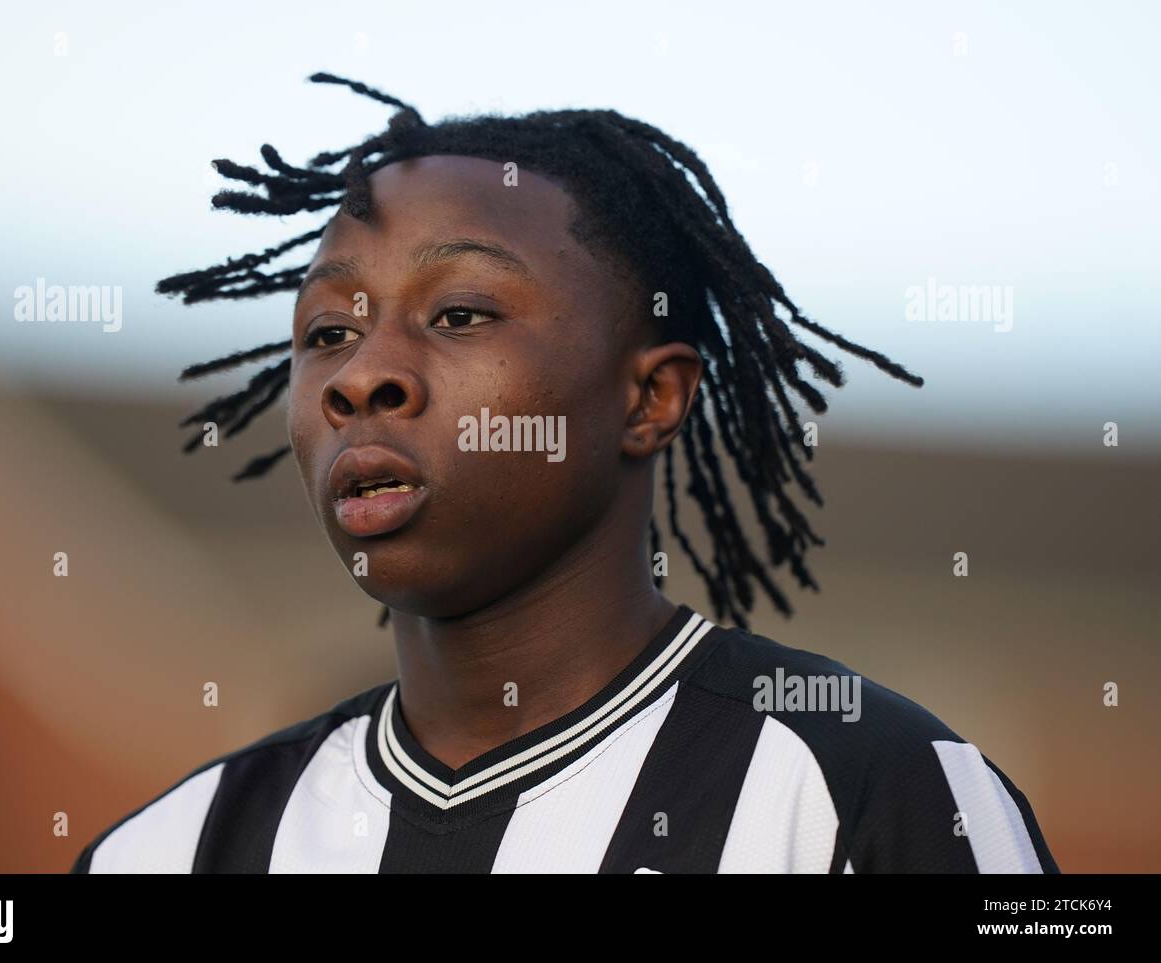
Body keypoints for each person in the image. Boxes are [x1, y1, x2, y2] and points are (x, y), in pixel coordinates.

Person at [71, 74, 1058, 874]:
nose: (362, 375)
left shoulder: (868, 795)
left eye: (459, 314)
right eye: (329, 331)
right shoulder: (169, 853)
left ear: (649, 400)